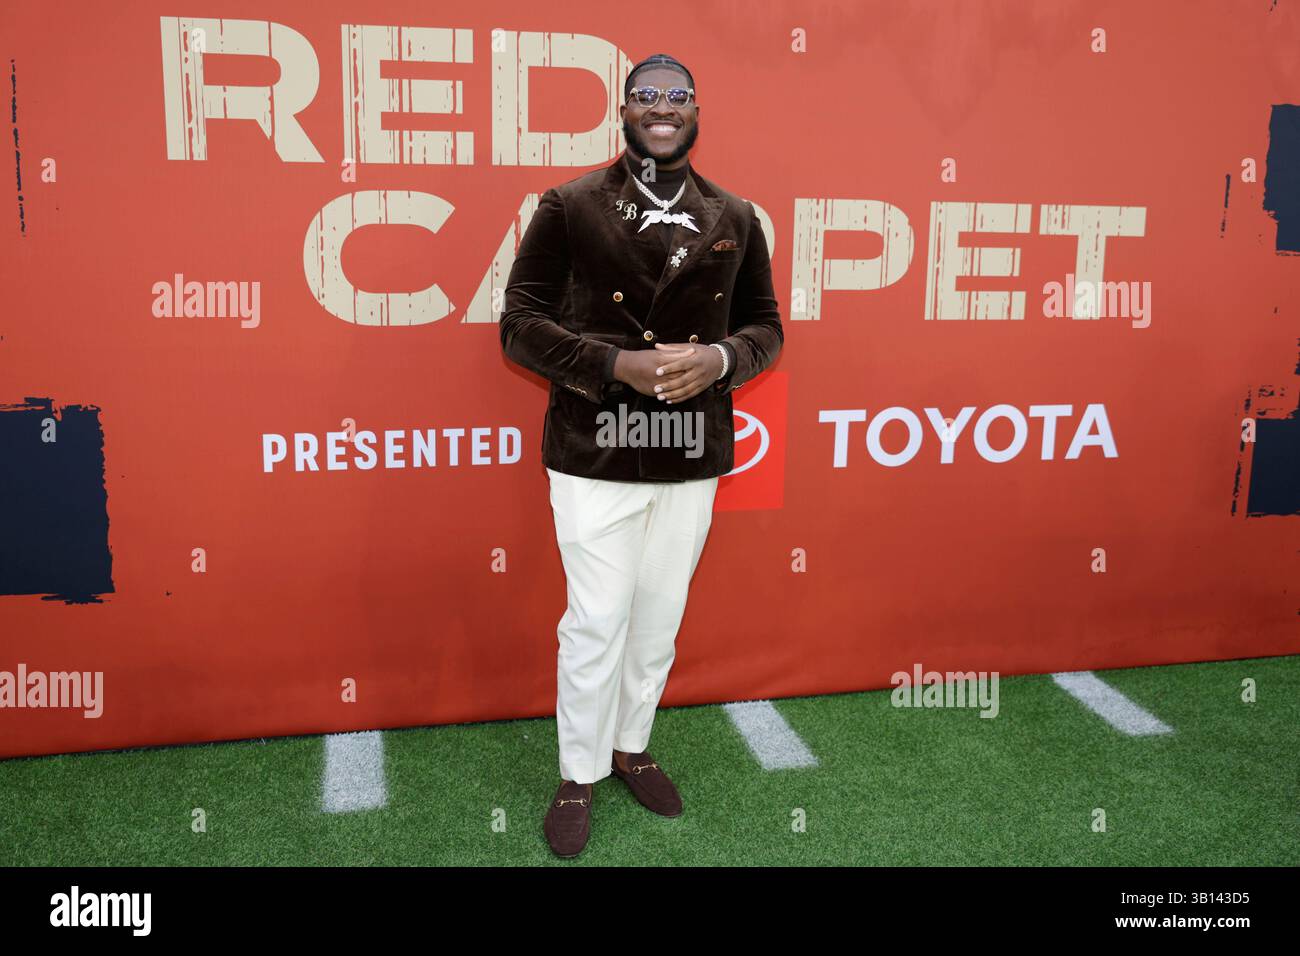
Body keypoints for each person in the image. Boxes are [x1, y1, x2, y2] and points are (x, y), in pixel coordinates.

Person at [499, 53, 783, 858]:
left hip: (689, 450)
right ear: (623, 110)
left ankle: (631, 746)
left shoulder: (735, 215)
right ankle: (577, 772)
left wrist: (722, 361)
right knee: (596, 621)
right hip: (596, 445)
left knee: (657, 619)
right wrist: (614, 364)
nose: (663, 108)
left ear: (697, 111)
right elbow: (518, 323)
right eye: (646, 96)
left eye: (678, 97)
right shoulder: (570, 205)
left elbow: (766, 327)